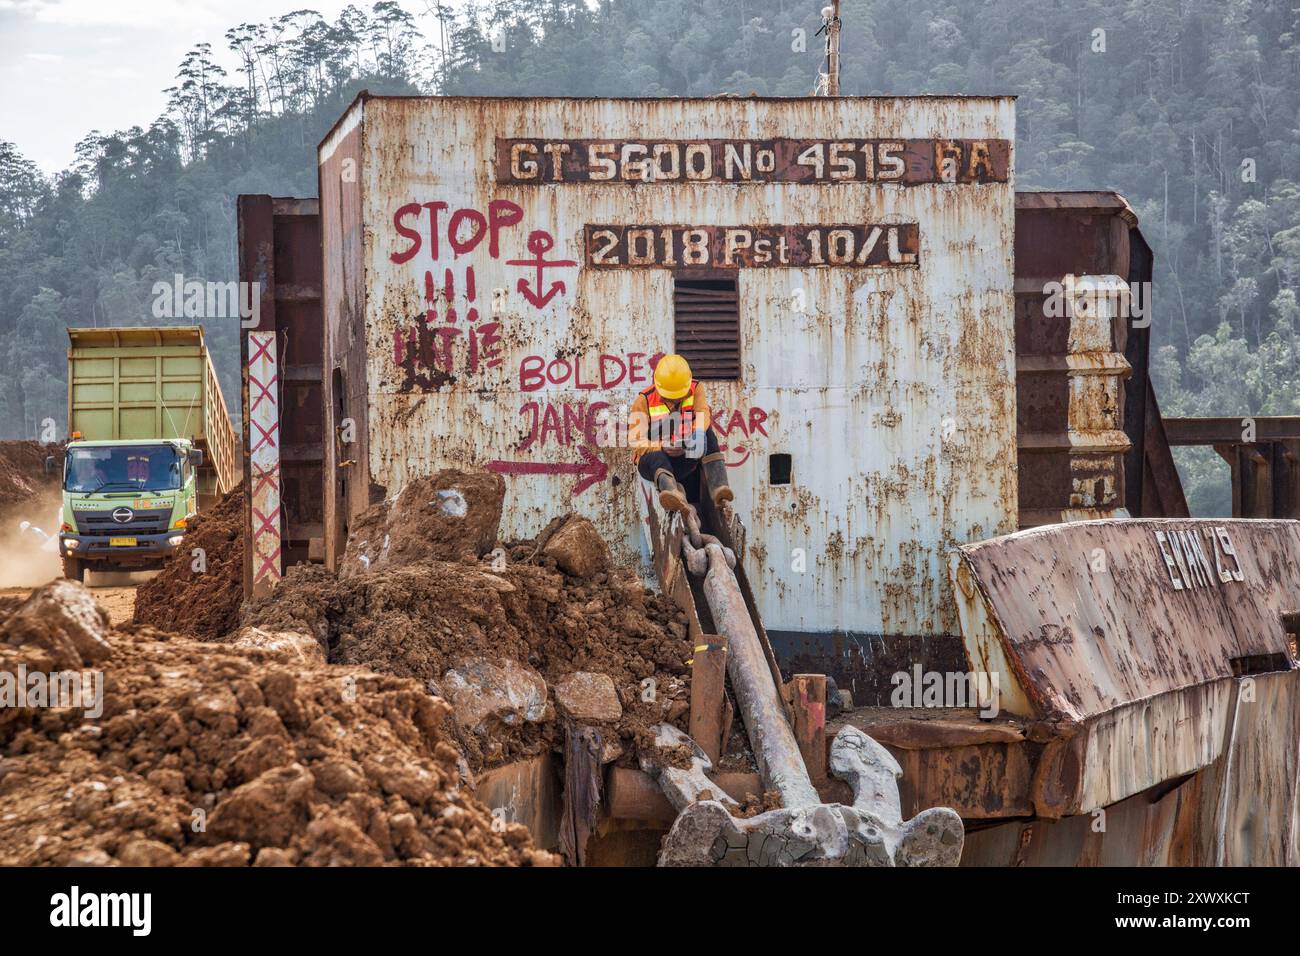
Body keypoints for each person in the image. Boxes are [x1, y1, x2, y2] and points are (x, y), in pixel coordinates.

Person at [629, 354, 733, 514]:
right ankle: (672, 493)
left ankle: (719, 487)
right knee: (657, 457)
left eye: (679, 396)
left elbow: (702, 413)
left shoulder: (696, 388)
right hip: (657, 463)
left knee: (707, 434)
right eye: (670, 397)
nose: (675, 400)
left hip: (684, 458)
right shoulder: (644, 400)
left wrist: (693, 438)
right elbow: (636, 442)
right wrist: (662, 447)